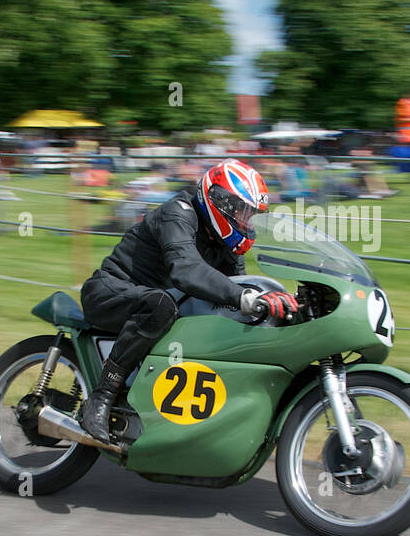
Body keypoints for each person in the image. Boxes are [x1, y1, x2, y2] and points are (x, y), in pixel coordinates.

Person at [78, 159, 298, 443]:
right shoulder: (179, 213)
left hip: (155, 309)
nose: (246, 221)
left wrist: (275, 302)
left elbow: (236, 291)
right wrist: (244, 297)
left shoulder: (226, 244)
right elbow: (186, 269)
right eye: (242, 212)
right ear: (220, 201)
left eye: (251, 215)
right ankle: (102, 396)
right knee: (161, 304)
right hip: (110, 292)